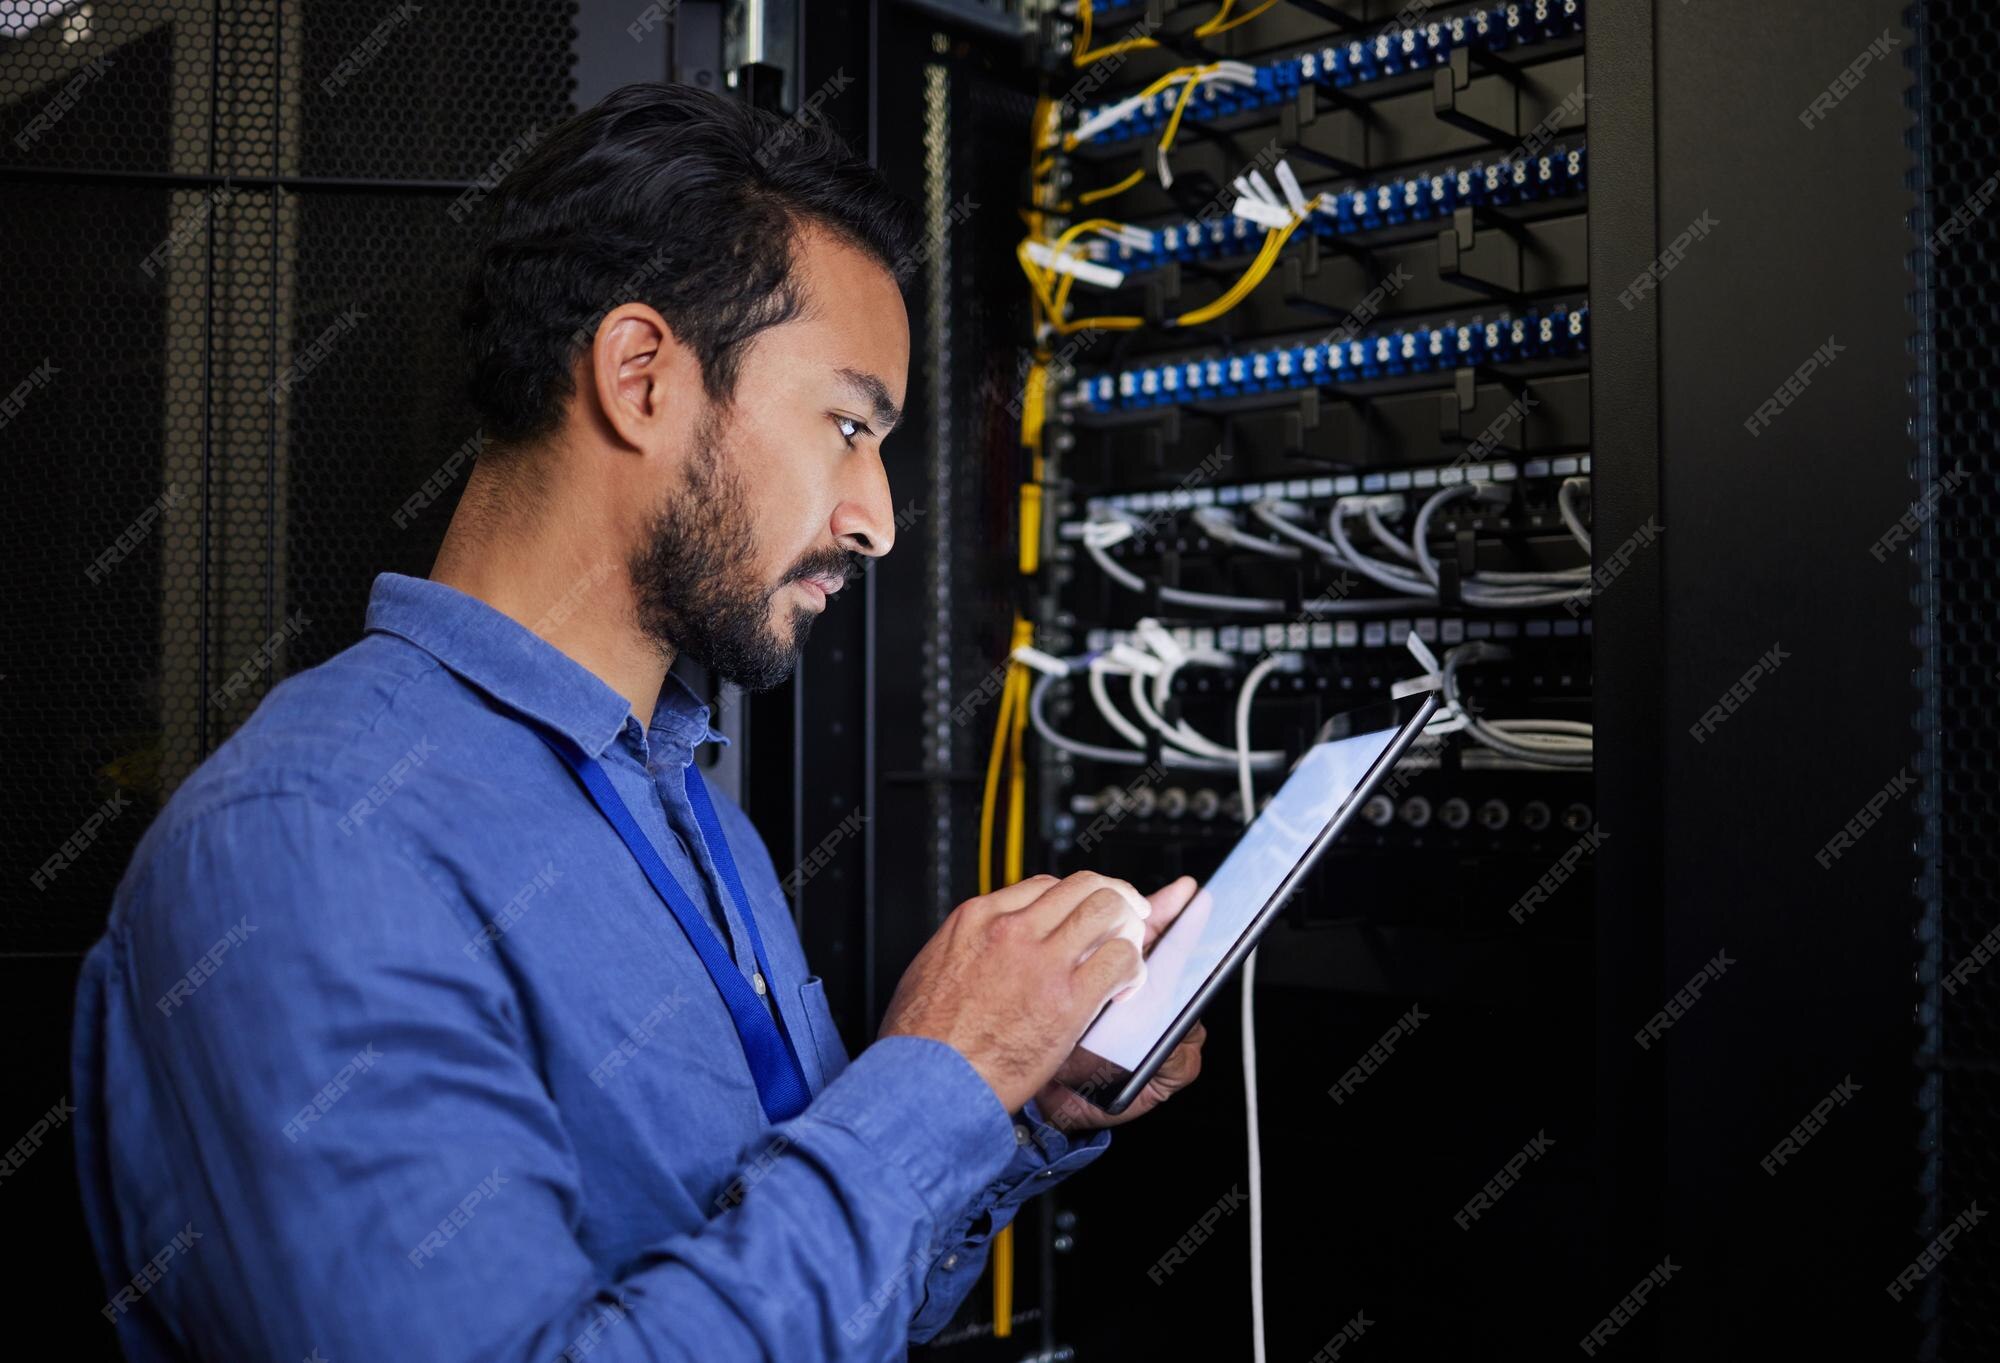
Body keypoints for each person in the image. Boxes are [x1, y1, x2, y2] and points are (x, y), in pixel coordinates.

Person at [70, 82, 1206, 1362]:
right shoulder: (311, 842)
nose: (876, 520)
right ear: (640, 377)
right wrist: (936, 1076)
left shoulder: (684, 804)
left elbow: (811, 1314)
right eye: (846, 426)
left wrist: (1003, 1103)